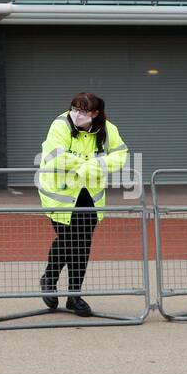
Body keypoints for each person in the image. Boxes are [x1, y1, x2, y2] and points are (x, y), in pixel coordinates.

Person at [37, 92, 129, 317]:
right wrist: (94, 164)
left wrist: (85, 167)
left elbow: (120, 156)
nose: (77, 114)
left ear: (95, 113)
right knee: (69, 240)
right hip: (60, 194)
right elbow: (56, 157)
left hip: (89, 196)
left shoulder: (107, 129)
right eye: (74, 108)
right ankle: (49, 279)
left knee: (83, 244)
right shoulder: (60, 125)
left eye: (83, 111)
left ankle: (74, 295)